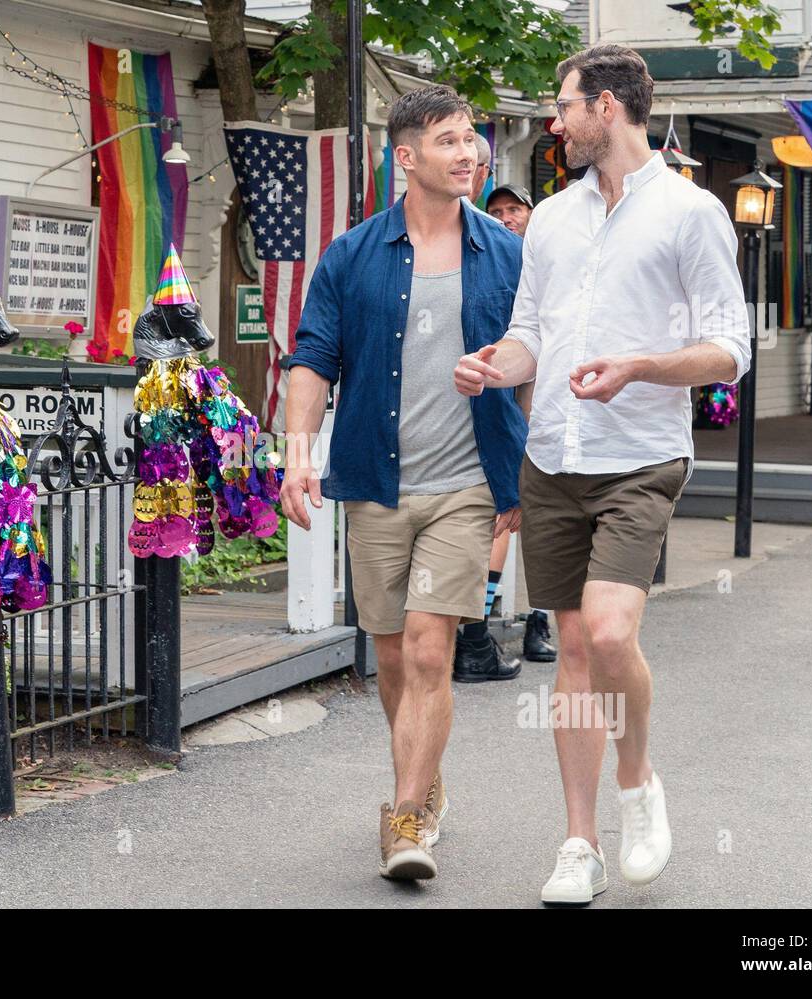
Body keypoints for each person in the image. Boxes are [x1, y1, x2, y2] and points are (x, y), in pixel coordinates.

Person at [454, 43, 751, 905]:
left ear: (610, 108)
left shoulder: (692, 213)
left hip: (640, 457)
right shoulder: (549, 218)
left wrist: (638, 367)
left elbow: (729, 349)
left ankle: (639, 782)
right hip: (553, 454)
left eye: (565, 105)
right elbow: (533, 336)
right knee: (574, 648)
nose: (554, 120)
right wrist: (493, 364)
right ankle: (579, 842)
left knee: (613, 634)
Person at [283, 84, 527, 881]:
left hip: (467, 485)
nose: (469, 154)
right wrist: (296, 454)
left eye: (473, 140)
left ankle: (405, 816)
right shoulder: (351, 256)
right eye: (451, 141)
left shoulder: (506, 251)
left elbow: (538, 355)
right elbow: (315, 359)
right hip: (377, 483)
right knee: (390, 655)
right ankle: (426, 780)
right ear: (408, 155)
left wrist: (524, 456)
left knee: (429, 648)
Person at [457, 178, 558, 675]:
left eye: (514, 209)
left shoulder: (537, 258)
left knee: (540, 519)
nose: (504, 216)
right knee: (501, 512)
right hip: (491, 392)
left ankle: (539, 620)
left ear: (530, 214)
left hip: (539, 392)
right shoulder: (480, 255)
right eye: (495, 208)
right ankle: (476, 628)